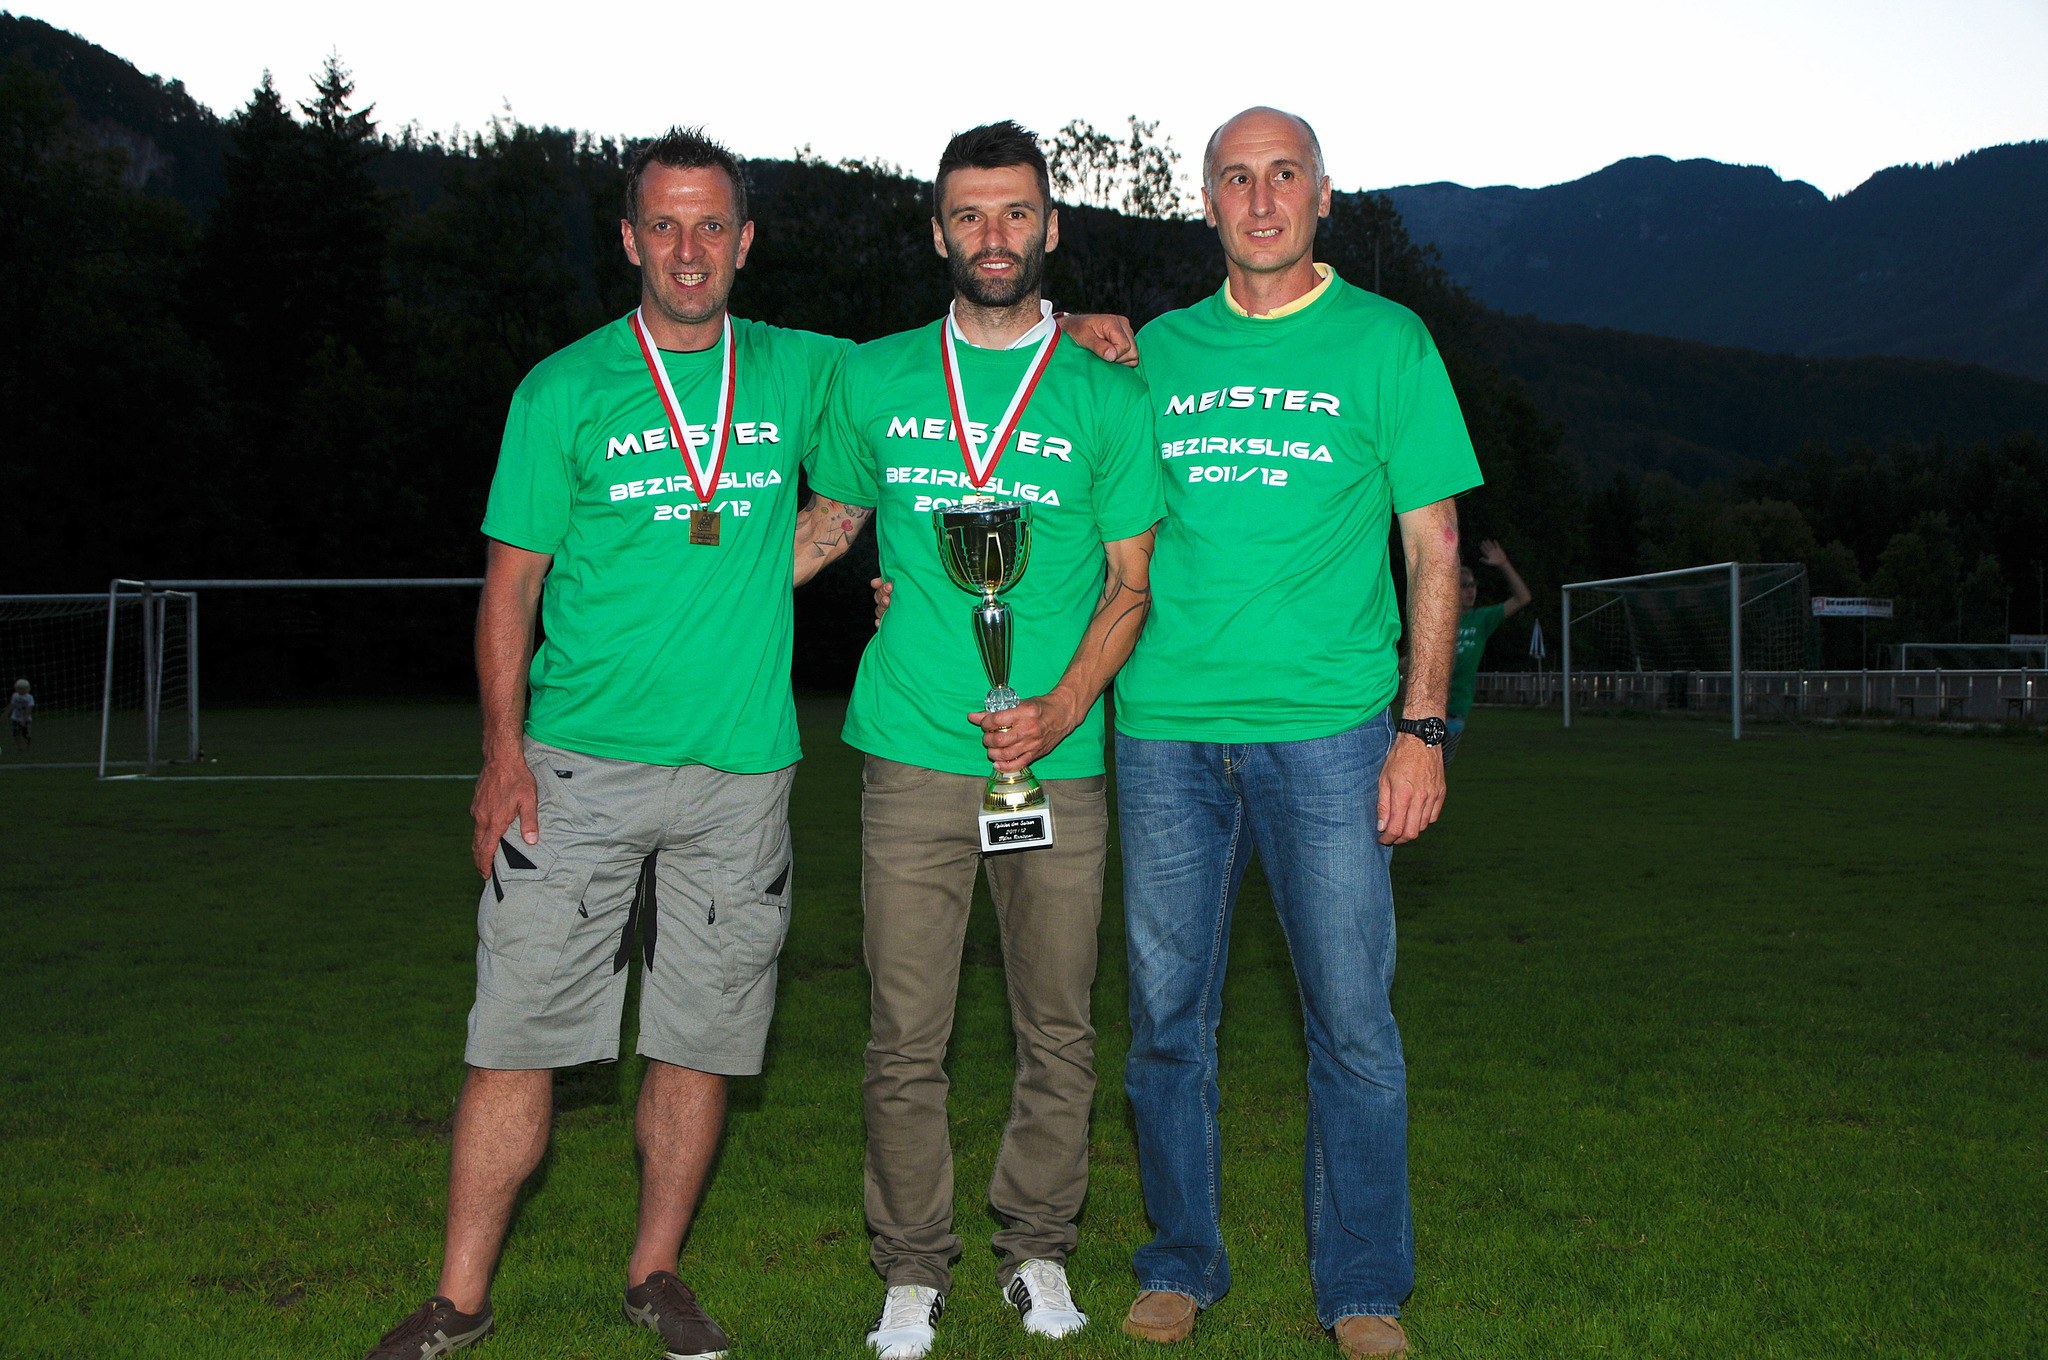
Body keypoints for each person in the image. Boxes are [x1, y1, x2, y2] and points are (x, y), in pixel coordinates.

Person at [362, 125, 1138, 1360]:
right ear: (629, 240)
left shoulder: (801, 367)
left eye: (711, 226)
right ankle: (459, 1295)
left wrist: (1077, 320)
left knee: (701, 1034)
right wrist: (501, 752)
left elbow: (960, 362)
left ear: (745, 242)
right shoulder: (562, 388)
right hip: (576, 762)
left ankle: (656, 1273)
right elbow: (508, 587)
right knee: (517, 1032)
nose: (689, 250)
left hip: (741, 769)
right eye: (664, 225)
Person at [1109, 108, 1481, 1359]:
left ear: (1323, 195)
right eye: (1235, 178)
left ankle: (1362, 1286)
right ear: (1205, 201)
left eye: (1283, 175)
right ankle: (1179, 1261)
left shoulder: (1386, 340)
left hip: (1329, 736)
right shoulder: (1156, 351)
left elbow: (1433, 547)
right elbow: (1085, 510)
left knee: (1352, 1026)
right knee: (1165, 1021)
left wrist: (1421, 727)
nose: (1259, 199)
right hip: (1163, 732)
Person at [797, 121, 1164, 1359]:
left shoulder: (1105, 391)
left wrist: (1059, 708)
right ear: (937, 232)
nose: (991, 236)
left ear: (1049, 227)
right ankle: (911, 1267)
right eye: (968, 214)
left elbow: (1130, 585)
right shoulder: (875, 377)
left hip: (1055, 756)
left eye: (1013, 213)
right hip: (911, 749)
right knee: (904, 1034)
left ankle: (1037, 1248)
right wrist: (693, 601)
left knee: (1056, 1023)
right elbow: (829, 522)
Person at [1445, 539, 1532, 763]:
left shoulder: (1481, 620)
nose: (1470, 590)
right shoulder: (1441, 622)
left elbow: (1523, 598)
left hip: (1455, 710)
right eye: (1464, 585)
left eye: (1473, 584)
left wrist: (1504, 564)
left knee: (1438, 766)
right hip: (1429, 707)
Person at [8, 679, 31, 753]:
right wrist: (6, 713)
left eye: (23, 688)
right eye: (19, 688)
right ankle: (19, 747)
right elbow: (12, 705)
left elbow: (28, 709)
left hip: (26, 719)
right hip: (15, 718)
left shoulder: (29, 697)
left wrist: (24, 719)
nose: (21, 690)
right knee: (15, 733)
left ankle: (28, 746)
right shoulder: (15, 695)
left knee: (25, 734)